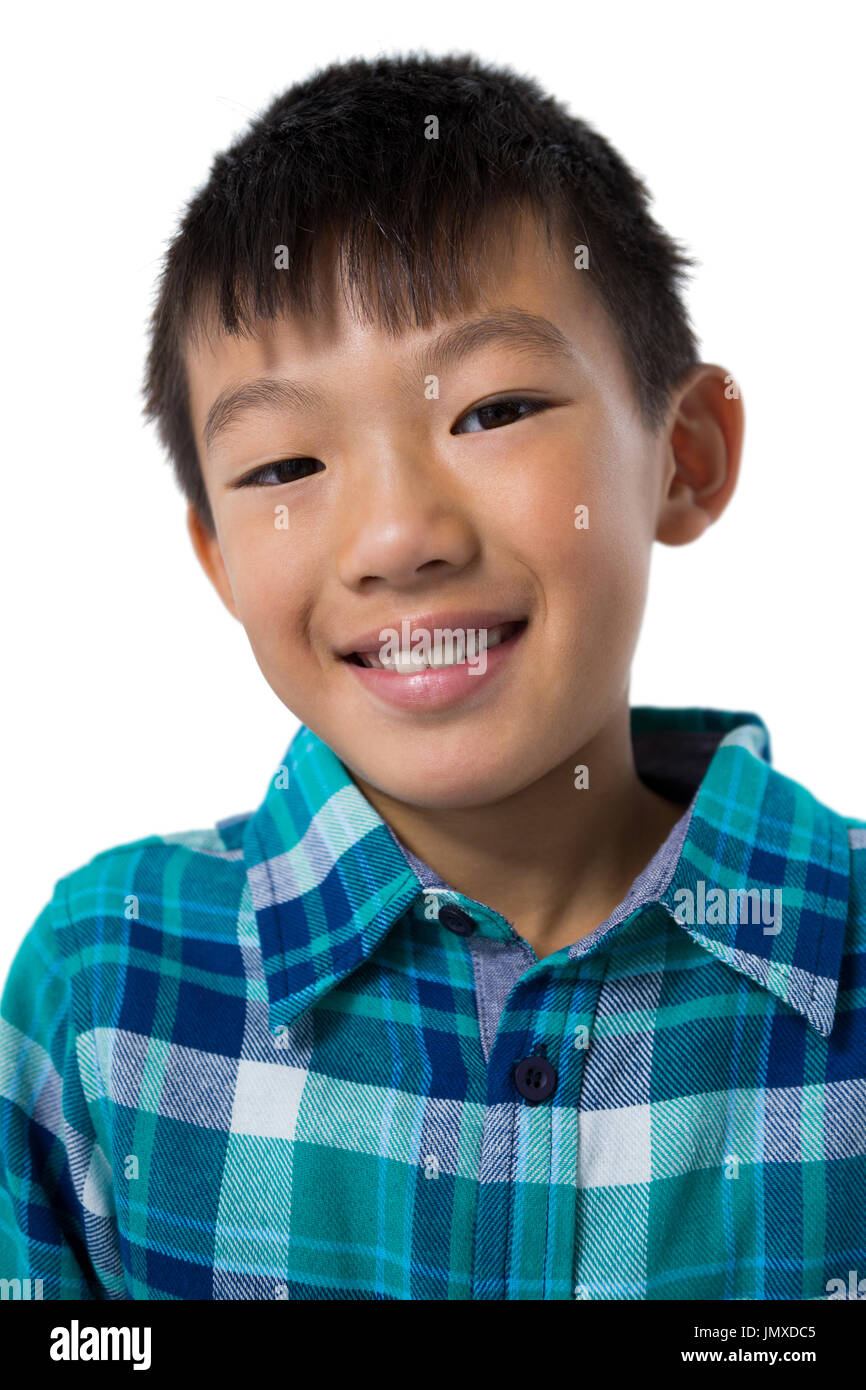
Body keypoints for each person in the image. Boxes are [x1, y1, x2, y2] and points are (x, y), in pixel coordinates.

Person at [1, 52, 863, 1301]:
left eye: (491, 410)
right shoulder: (103, 996)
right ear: (220, 561)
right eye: (285, 466)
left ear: (682, 455)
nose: (399, 534)